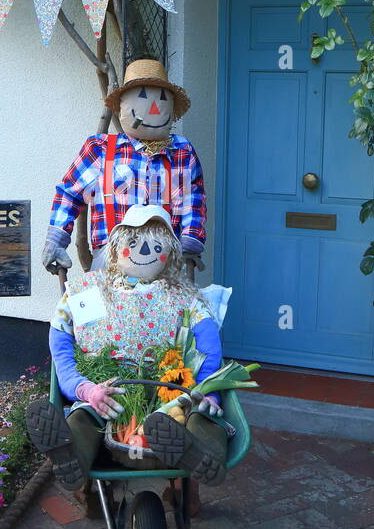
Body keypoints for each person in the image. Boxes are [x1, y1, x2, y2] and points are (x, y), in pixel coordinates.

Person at [27, 206, 228, 507]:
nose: (144, 251)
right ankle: (70, 458)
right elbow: (60, 338)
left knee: (198, 411)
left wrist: (206, 388)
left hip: (169, 392)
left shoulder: (183, 295)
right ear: (116, 248)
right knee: (87, 414)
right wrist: (82, 387)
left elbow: (209, 343)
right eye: (133, 243)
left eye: (155, 247)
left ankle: (203, 453)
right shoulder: (90, 290)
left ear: (169, 253)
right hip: (106, 390)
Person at [41, 58, 207, 276]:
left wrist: (191, 240)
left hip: (166, 263)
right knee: (105, 310)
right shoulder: (100, 149)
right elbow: (69, 194)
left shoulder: (181, 152)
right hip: (110, 263)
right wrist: (56, 238)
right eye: (143, 97)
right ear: (122, 107)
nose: (155, 108)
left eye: (162, 99)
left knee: (166, 311)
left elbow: (193, 198)